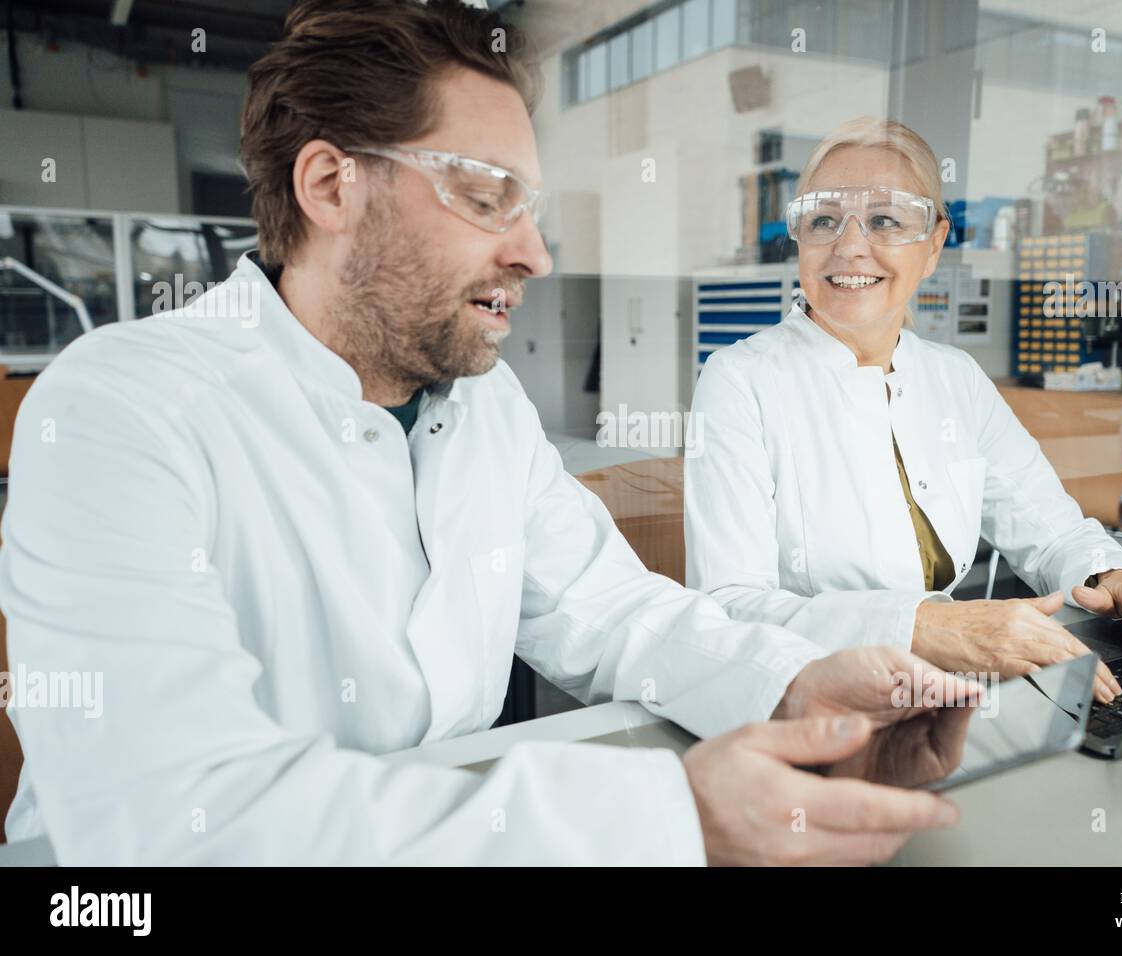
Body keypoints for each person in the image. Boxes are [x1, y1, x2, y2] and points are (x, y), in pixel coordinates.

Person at [0, 1, 969, 866]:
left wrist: (796, 691)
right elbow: (176, 819)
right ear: (331, 186)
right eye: (482, 192)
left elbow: (615, 611)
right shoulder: (116, 410)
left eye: (530, 204)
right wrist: (671, 819)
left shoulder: (484, 407)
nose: (533, 251)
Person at [684, 117, 1122, 705]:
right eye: (824, 219)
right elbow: (729, 605)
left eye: (885, 220)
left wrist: (1114, 574)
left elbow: (1053, 531)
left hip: (956, 687)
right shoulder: (741, 379)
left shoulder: (953, 376)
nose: (850, 245)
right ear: (801, 238)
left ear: (933, 246)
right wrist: (928, 627)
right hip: (818, 700)